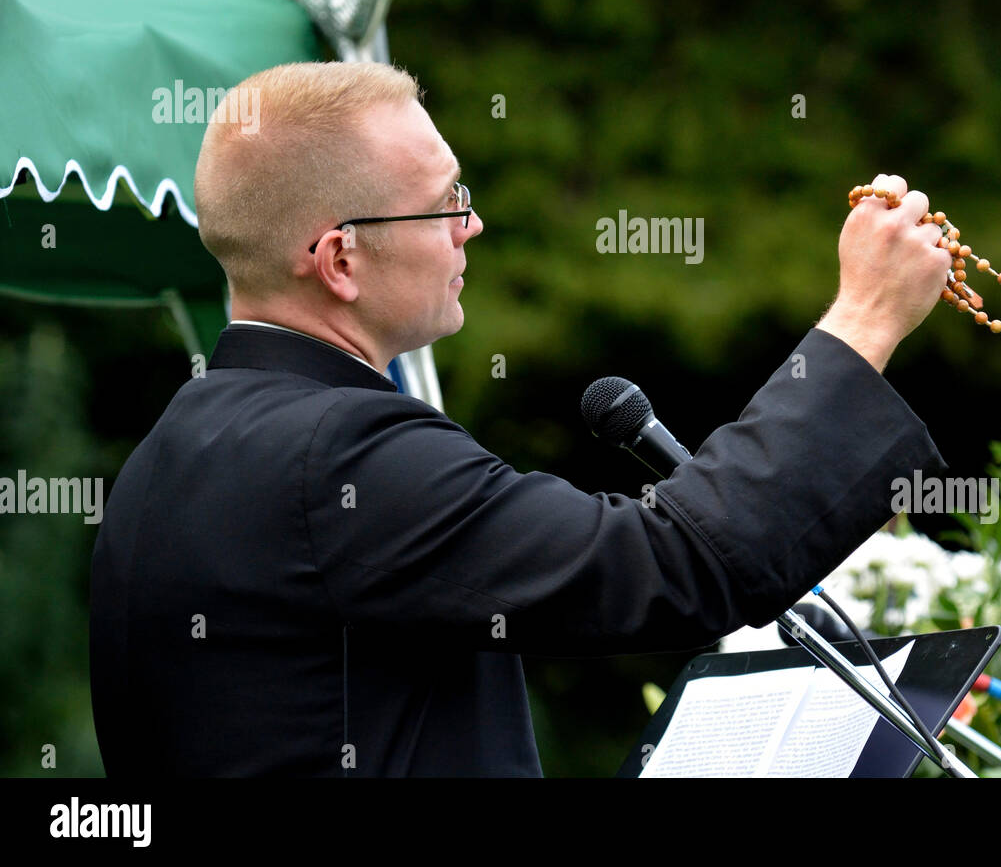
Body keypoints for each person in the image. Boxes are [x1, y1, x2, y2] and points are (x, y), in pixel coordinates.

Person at [90, 61, 953, 776]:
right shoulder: (342, 455)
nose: (472, 223)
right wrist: (864, 320)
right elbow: (677, 567)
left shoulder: (166, 456)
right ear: (340, 258)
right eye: (443, 202)